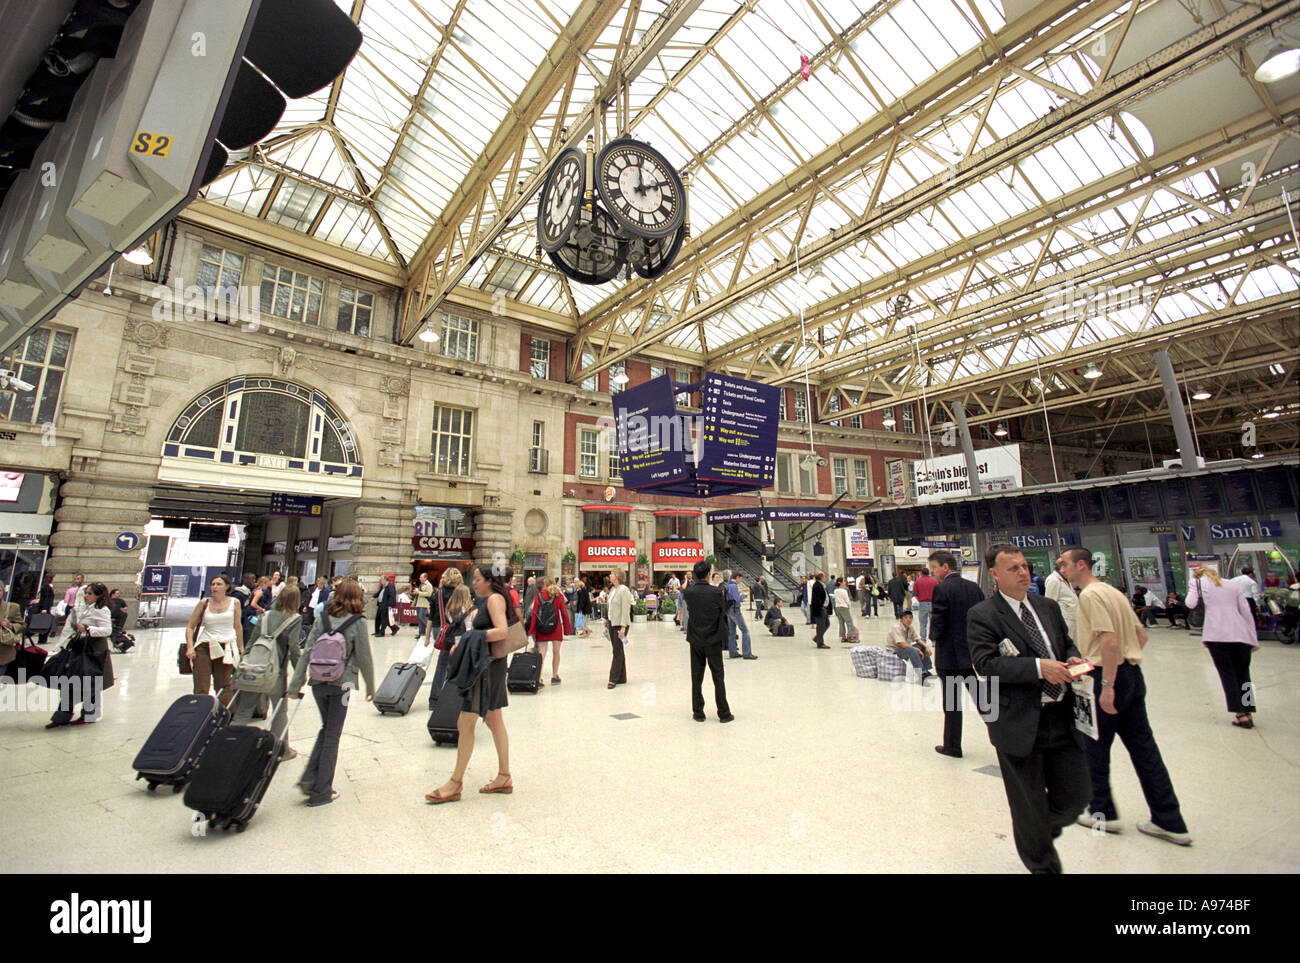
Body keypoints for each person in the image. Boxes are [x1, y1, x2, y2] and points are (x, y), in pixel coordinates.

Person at [966, 542, 1090, 874]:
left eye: (1025, 566)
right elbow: (986, 665)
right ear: (994, 575)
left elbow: (1063, 643)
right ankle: (1042, 864)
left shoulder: (1047, 607)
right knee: (1028, 804)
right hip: (1017, 722)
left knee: (1076, 797)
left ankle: (1036, 835)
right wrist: (1038, 668)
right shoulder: (983, 615)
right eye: (1014, 568)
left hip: (1061, 715)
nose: (1024, 573)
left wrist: (1072, 657)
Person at [1062, 547, 1192, 845]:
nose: (1062, 569)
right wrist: (1123, 665)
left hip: (1107, 678)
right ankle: (1169, 819)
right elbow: (1141, 636)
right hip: (1132, 673)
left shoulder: (1090, 595)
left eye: (1065, 564)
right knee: (1144, 748)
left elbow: (1109, 640)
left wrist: (1108, 682)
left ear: (1081, 565)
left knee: (1093, 746)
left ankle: (1102, 812)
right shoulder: (1114, 593)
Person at [425, 565, 517, 804]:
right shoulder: (486, 599)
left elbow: (502, 631)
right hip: (486, 665)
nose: (473, 583)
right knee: (494, 720)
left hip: (485, 669)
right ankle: (504, 776)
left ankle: (455, 782)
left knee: (465, 722)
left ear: (489, 580)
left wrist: (470, 638)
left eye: (477, 579)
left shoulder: (495, 599)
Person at [287, 579, 374, 807]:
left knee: (327, 729)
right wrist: (372, 687)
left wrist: (296, 683)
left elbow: (306, 653)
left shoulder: (322, 618)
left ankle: (309, 778)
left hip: (318, 682)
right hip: (342, 685)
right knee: (333, 734)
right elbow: (364, 657)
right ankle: (321, 791)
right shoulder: (358, 622)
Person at [232, 583, 302, 759]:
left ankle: (229, 745)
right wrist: (300, 675)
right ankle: (281, 749)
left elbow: (251, 643)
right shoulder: (294, 619)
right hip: (275, 673)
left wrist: (239, 669)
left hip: (253, 669)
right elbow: (294, 649)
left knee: (243, 712)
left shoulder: (266, 616)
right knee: (279, 711)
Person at [928, 549, 986, 758]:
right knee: (981, 697)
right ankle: (1002, 734)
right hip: (970, 652)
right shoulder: (974, 588)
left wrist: (933, 636)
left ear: (946, 567)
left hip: (949, 656)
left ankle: (953, 745)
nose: (933, 572)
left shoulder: (942, 589)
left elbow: (939, 620)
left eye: (934, 568)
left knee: (952, 702)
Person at [1186, 566, 1259, 730]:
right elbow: (1246, 612)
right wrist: (1253, 639)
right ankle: (1248, 711)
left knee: (1227, 674)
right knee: (1244, 674)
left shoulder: (1197, 582)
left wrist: (1194, 586)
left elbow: (1190, 604)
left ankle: (1240, 714)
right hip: (1241, 634)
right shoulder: (1233, 585)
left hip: (1217, 635)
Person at [46, 581, 115, 727]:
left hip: (94, 650)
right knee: (70, 681)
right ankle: (62, 715)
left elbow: (107, 630)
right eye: (86, 593)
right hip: (79, 647)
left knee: (91, 683)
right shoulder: (83, 608)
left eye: (90, 593)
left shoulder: (102, 610)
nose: (86, 596)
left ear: (99, 596)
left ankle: (89, 715)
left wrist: (88, 628)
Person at [682, 560, 734, 723]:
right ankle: (723, 713)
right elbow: (724, 609)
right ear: (708, 574)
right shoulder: (716, 592)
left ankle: (698, 712)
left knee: (696, 677)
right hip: (713, 639)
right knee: (718, 676)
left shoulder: (689, 593)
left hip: (695, 639)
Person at [185, 574, 244, 707]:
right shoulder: (204, 603)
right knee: (201, 684)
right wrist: (190, 646)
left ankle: (225, 715)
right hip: (205, 645)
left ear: (227, 587)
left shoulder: (234, 602)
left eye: (219, 584)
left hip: (226, 646)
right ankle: (199, 713)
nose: (215, 587)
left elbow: (238, 626)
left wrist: (241, 648)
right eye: (213, 584)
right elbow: (190, 626)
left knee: (223, 685)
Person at [427, 568, 468, 712]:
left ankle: (434, 698)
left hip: (439, 629)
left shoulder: (436, 593)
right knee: (456, 664)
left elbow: (431, 615)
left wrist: (426, 636)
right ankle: (451, 697)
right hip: (454, 630)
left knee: (442, 663)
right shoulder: (460, 593)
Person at [528, 576, 572, 685]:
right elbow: (564, 614)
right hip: (556, 626)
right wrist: (567, 629)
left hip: (542, 627)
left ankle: (539, 677)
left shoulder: (539, 595)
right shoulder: (559, 595)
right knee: (556, 652)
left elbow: (534, 614)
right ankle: (554, 675)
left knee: (541, 653)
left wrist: (532, 629)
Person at [884, 611, 932, 681]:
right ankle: (921, 673)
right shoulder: (896, 628)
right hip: (895, 651)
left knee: (921, 646)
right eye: (906, 617)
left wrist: (926, 647)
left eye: (910, 618)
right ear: (901, 619)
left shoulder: (910, 627)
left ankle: (926, 670)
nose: (908, 619)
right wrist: (916, 649)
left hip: (905, 649)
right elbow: (902, 644)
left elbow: (918, 639)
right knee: (912, 650)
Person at [605, 570, 633, 689]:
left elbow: (626, 609)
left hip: (620, 624)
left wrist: (623, 627)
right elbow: (611, 607)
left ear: (617, 576)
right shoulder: (612, 590)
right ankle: (622, 677)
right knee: (618, 649)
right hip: (612, 623)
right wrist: (608, 620)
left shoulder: (624, 590)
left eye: (612, 574)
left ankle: (613, 678)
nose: (610, 576)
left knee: (617, 651)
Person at [1044, 556, 1078, 639]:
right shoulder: (1053, 580)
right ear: (1062, 568)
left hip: (1073, 618)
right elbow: (1049, 603)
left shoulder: (1065, 579)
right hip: (1065, 620)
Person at [725, 572, 755, 660]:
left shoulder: (728, 585)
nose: (740, 581)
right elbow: (737, 599)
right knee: (745, 630)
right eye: (740, 579)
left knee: (732, 632)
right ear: (737, 577)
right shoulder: (733, 586)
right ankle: (747, 653)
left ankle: (733, 652)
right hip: (735, 610)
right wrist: (743, 595)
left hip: (728, 609)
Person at [911, 566, 937, 639]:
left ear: (921, 573)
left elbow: (915, 594)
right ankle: (934, 640)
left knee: (923, 624)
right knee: (933, 623)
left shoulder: (917, 582)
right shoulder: (934, 581)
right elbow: (938, 593)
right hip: (933, 604)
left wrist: (920, 600)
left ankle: (923, 640)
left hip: (922, 603)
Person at [810, 572, 830, 649]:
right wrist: (820, 606)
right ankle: (820, 643)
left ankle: (817, 638)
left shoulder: (822, 585)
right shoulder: (817, 586)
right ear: (821, 578)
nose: (825, 578)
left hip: (824, 608)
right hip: (820, 609)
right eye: (824, 577)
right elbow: (817, 598)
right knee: (821, 625)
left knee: (827, 623)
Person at [833, 577, 855, 642]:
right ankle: (851, 636)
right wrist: (849, 606)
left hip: (837, 607)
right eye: (844, 581)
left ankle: (842, 636)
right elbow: (847, 600)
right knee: (849, 621)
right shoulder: (844, 591)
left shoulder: (835, 590)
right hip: (844, 607)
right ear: (841, 583)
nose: (845, 583)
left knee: (841, 622)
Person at [414, 570, 434, 639]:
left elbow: (429, 594)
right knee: (419, 619)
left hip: (424, 604)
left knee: (422, 617)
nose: (420, 578)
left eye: (421, 577)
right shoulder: (421, 584)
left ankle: (429, 629)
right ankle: (421, 633)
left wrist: (419, 592)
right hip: (419, 603)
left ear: (425, 578)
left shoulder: (428, 585)